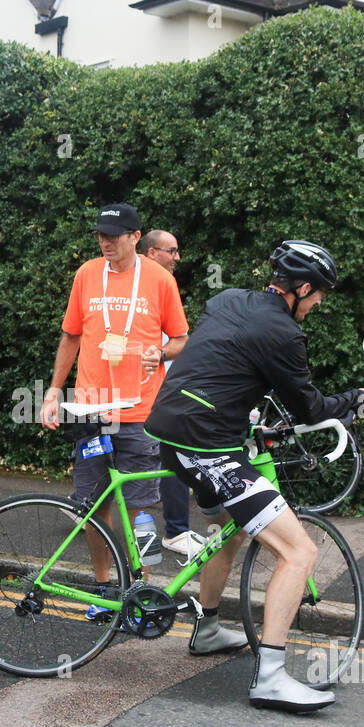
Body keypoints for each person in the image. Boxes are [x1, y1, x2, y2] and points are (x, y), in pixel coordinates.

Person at [145, 241, 364, 711]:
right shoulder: (282, 333)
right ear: (300, 288)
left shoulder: (228, 300)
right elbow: (310, 406)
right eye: (318, 294)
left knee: (230, 532)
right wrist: (357, 400)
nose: (318, 303)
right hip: (206, 443)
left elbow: (221, 366)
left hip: (178, 427)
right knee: (300, 551)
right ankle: (272, 678)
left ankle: (210, 627)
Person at [39, 203, 189, 619]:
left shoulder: (159, 279)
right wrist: (53, 391)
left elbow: (181, 338)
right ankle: (102, 589)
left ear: (135, 237)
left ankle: (139, 588)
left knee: (140, 506)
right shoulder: (87, 274)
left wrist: (159, 352)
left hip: (141, 411)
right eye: (101, 234)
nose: (105, 241)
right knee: (93, 506)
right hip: (91, 409)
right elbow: (70, 336)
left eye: (115, 235)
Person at [137, 229, 201, 556]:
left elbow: (178, 339)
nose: (177, 257)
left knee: (170, 454)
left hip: (166, 390)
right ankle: (175, 532)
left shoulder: (163, 285)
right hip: (147, 393)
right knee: (173, 454)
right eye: (171, 251)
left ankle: (82, 502)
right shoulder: (138, 286)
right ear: (151, 253)